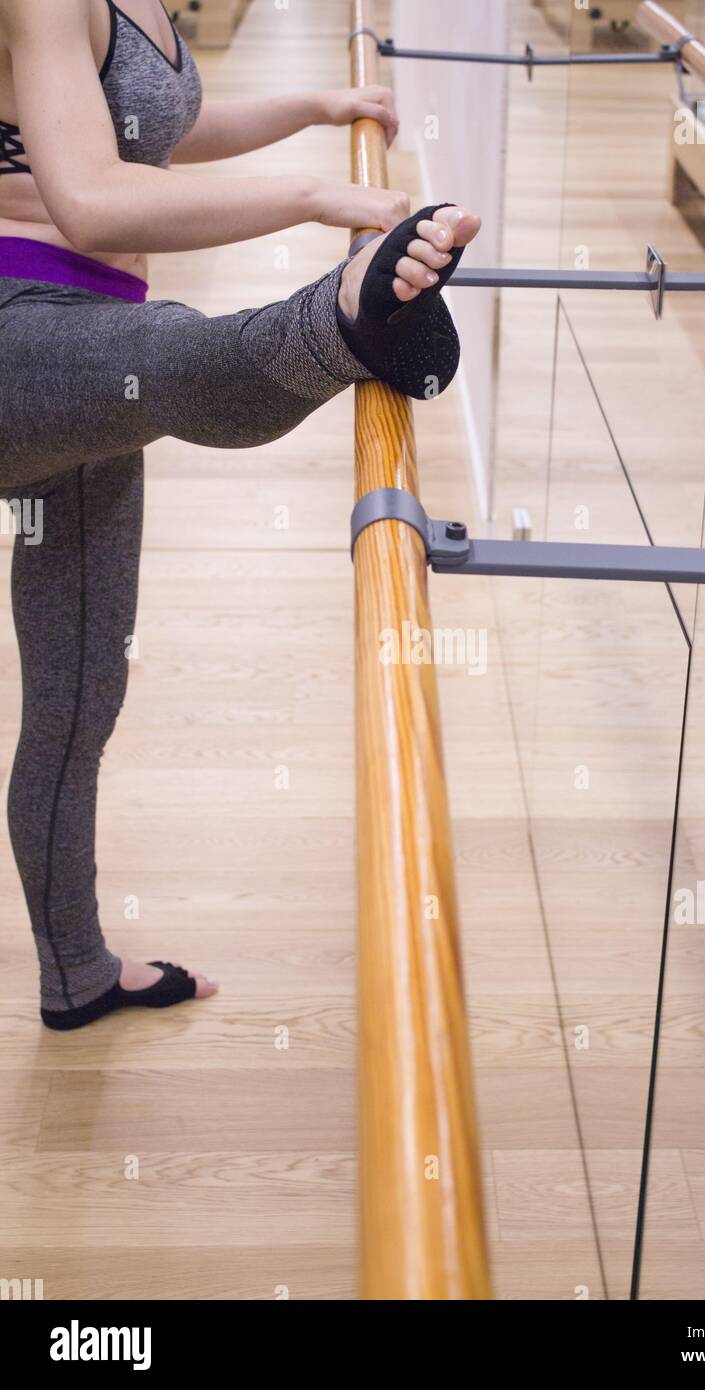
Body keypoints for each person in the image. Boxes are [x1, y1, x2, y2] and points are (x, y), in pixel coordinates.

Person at [0, 0, 481, 1030]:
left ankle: (77, 972)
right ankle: (345, 316)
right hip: (18, 334)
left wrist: (319, 103)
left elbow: (160, 126)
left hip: (92, 358)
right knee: (183, 358)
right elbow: (87, 199)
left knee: (78, 693)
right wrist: (314, 194)